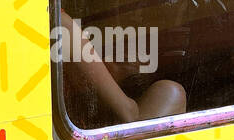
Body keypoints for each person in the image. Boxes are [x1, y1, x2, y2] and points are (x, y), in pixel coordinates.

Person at [58, 10, 186, 124]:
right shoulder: (62, 62)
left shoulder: (72, 113)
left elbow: (62, 23)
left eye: (120, 60)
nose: (100, 61)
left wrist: (126, 108)